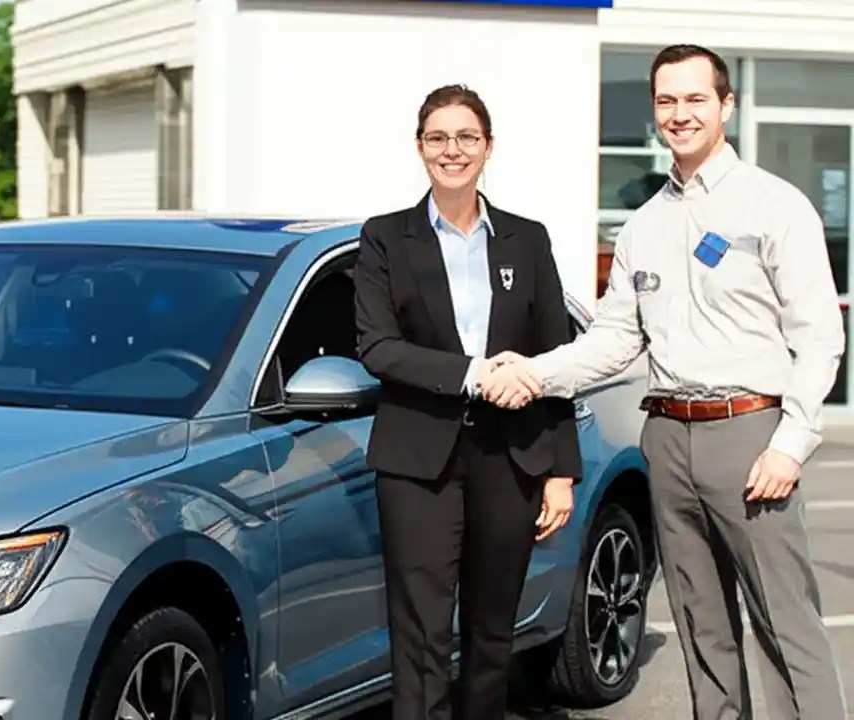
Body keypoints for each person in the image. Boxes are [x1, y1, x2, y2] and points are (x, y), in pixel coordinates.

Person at [484, 44, 847, 720]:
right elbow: (615, 340)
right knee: (701, 626)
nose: (680, 115)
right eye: (666, 101)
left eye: (695, 99)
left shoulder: (774, 206)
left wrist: (790, 444)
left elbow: (821, 336)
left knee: (784, 627)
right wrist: (535, 371)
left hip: (750, 437)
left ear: (726, 106)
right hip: (667, 439)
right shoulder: (644, 227)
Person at [352, 83, 581, 720]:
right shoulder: (385, 239)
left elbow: (554, 356)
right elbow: (379, 348)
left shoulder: (527, 240)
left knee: (492, 632)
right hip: (416, 459)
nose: (452, 150)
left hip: (510, 459)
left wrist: (561, 470)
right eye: (438, 138)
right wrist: (475, 375)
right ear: (420, 147)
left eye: (466, 138)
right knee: (420, 634)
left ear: (488, 147)